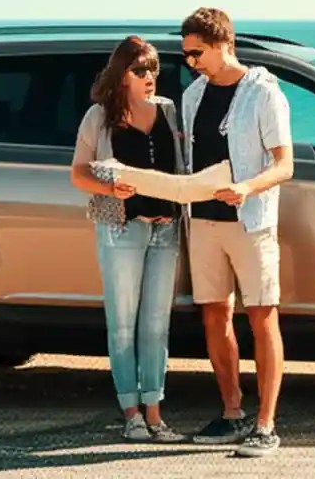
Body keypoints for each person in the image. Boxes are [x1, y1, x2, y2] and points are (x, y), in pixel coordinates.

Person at [180, 7, 293, 457]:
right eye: (186, 54)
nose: (191, 62)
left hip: (251, 222)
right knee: (214, 315)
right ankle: (232, 413)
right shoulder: (193, 95)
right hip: (204, 222)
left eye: (197, 53)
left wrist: (245, 187)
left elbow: (284, 164)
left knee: (263, 317)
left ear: (223, 44)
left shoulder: (264, 94)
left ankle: (266, 424)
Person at [70, 35, 185, 442]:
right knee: (122, 325)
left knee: (156, 324)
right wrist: (110, 189)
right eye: (139, 70)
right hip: (121, 228)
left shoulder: (169, 111)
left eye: (153, 68)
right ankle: (131, 413)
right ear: (121, 76)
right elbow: (79, 173)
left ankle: (155, 414)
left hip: (165, 228)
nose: (149, 77)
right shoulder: (98, 118)